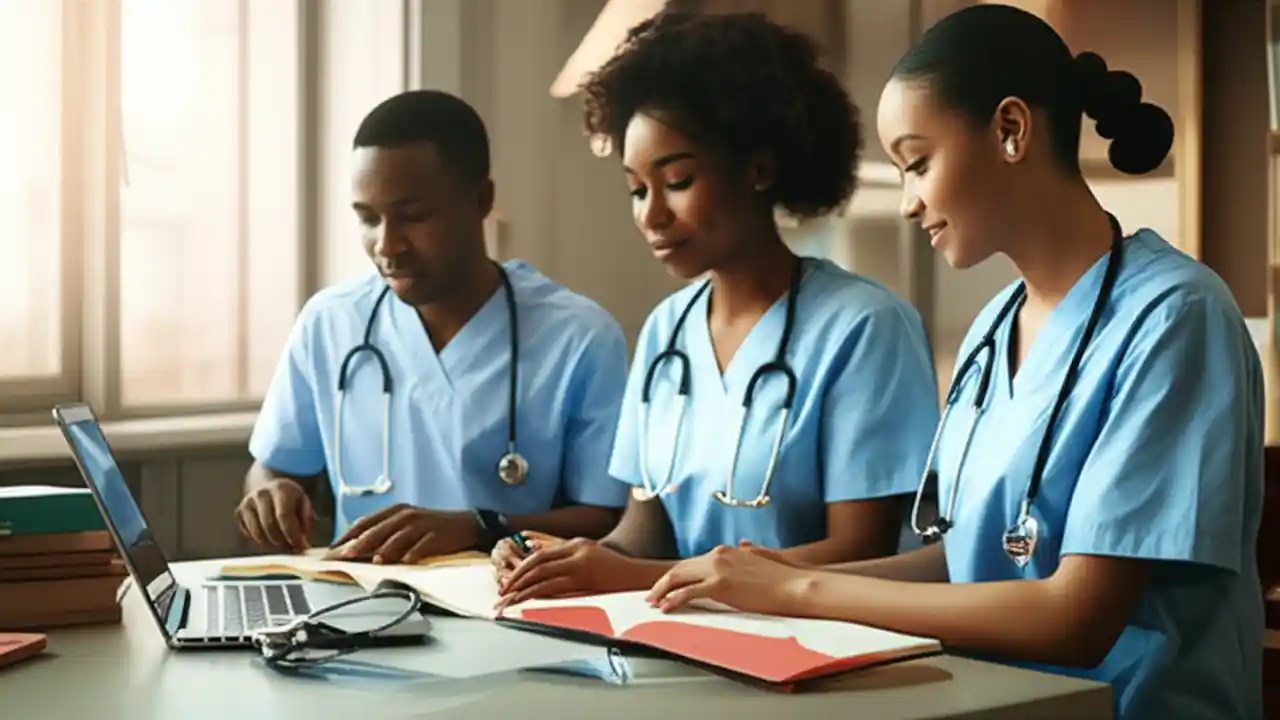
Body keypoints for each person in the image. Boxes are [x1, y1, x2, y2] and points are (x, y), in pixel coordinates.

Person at [643, 6, 1264, 720]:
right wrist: (764, 571)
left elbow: (1077, 616)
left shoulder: (1176, 317)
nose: (909, 203)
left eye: (917, 163)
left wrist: (799, 590)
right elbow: (967, 559)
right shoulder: (993, 329)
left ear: (1011, 130)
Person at [494, 11, 940, 607]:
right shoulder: (667, 331)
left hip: (813, 641)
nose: (651, 215)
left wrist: (631, 576)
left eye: (677, 180)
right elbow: (642, 537)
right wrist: (561, 557)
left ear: (758, 169)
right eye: (636, 189)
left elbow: (863, 548)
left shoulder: (863, 327)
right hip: (679, 635)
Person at [236, 90, 631, 564]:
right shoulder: (329, 323)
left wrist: (477, 527)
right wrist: (269, 494)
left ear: (481, 200)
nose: (387, 245)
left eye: (413, 217)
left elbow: (607, 519)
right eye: (368, 219)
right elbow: (273, 469)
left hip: (510, 595)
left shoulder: (579, 337)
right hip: (359, 596)